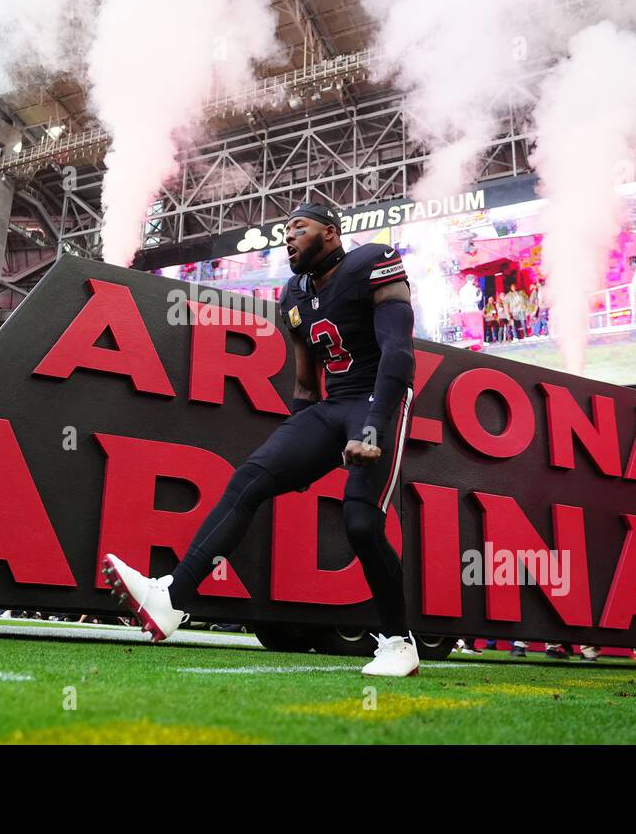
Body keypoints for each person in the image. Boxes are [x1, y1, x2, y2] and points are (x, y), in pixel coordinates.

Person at [102, 203, 420, 677]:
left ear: (331, 233)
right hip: (332, 408)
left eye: (299, 228)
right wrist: (297, 443)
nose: (287, 237)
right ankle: (172, 598)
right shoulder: (293, 294)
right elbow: (307, 386)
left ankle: (399, 642)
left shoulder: (373, 260)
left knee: (359, 522)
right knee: (250, 479)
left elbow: (399, 352)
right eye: (284, 229)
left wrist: (373, 427)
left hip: (379, 399)